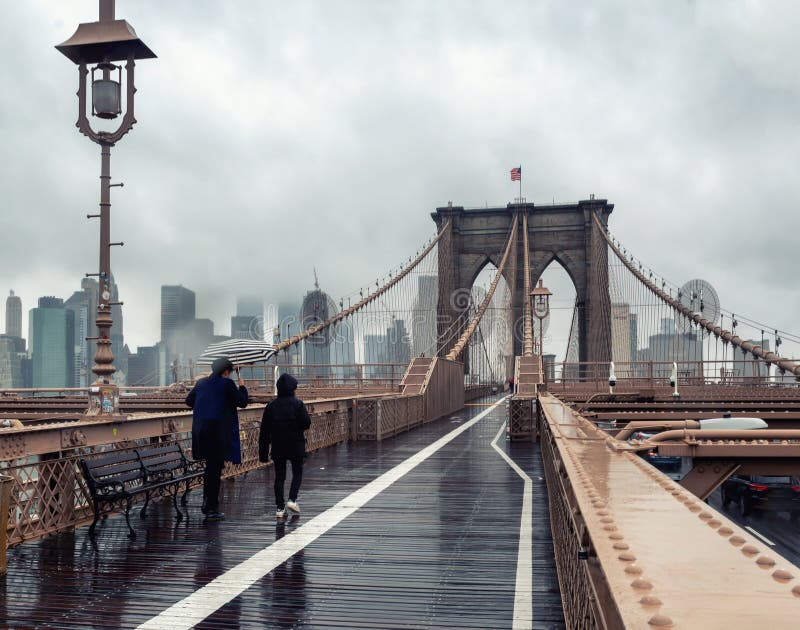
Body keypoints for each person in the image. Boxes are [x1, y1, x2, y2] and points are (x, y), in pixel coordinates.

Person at [185, 357, 249, 521]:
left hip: (201, 433)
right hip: (218, 434)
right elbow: (242, 402)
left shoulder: (201, 383)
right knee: (214, 470)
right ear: (226, 372)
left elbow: (189, 401)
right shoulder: (227, 384)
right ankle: (210, 507)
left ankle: (208, 504)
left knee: (211, 469)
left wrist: (206, 403)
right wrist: (242, 387)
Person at [258, 373, 311, 519]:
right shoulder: (298, 404)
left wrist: (263, 454)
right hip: (296, 444)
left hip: (278, 446)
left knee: (279, 476)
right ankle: (292, 499)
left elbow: (264, 431)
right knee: (297, 472)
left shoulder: (271, 406)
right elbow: (306, 423)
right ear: (293, 389)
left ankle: (280, 508)